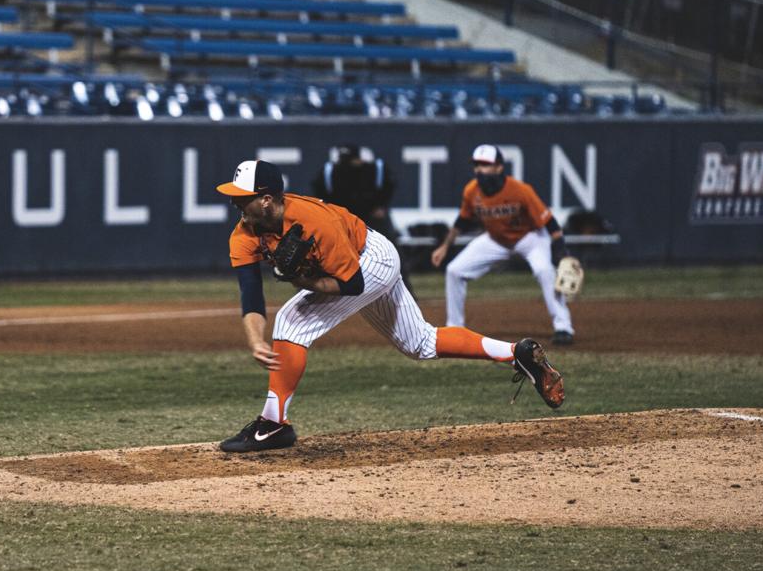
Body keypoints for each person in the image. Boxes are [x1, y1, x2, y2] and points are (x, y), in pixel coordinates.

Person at [215, 159, 564, 453]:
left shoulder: (316, 223)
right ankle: (515, 353)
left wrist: (302, 282)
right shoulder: (243, 234)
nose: (235, 206)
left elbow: (352, 285)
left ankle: (273, 423)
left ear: (265, 200)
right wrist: (254, 340)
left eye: (240, 199)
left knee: (292, 320)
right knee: (420, 343)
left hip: (371, 260)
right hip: (360, 263)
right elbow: (250, 293)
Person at [431, 144, 578, 346]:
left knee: (545, 270)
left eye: (485, 165)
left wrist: (561, 250)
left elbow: (550, 222)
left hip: (530, 238)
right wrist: (445, 246)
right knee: (454, 270)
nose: (479, 169)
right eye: (477, 165)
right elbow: (462, 221)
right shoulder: (472, 191)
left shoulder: (520, 191)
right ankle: (454, 328)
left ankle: (563, 327)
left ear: (499, 167)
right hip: (495, 239)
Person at [315, 144, 400, 251]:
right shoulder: (332, 171)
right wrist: (328, 209)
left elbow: (388, 185)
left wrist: (381, 205)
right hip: (342, 215)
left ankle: (400, 265)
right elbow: (320, 189)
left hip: (370, 213)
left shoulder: (371, 170)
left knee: (385, 243)